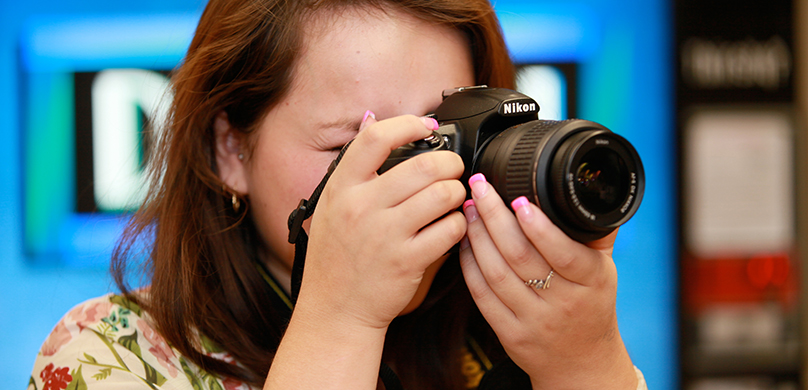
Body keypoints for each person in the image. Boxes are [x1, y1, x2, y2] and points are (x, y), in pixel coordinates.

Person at [29, 0, 647, 389]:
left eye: (442, 140)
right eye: (354, 149)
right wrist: (341, 322)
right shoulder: (112, 356)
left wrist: (584, 367)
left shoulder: (506, 341)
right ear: (231, 150)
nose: (413, 182)